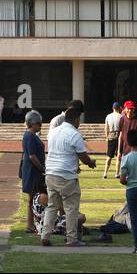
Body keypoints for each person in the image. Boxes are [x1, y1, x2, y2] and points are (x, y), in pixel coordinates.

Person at [41, 100, 96, 247]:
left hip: (50, 173)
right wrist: (91, 163)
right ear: (76, 119)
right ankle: (72, 239)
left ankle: (45, 235)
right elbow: (83, 157)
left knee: (52, 206)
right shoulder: (74, 134)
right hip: (66, 176)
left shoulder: (53, 132)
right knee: (71, 208)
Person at [20, 110, 47, 234]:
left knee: (32, 199)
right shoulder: (29, 135)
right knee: (33, 199)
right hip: (32, 171)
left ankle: (31, 224)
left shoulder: (31, 135)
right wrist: (42, 168)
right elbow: (32, 156)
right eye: (38, 123)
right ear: (32, 123)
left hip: (33, 170)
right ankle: (30, 224)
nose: (40, 126)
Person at [102, 102, 122, 178]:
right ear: (119, 108)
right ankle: (117, 173)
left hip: (111, 136)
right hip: (119, 136)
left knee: (109, 156)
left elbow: (106, 128)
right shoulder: (121, 116)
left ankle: (105, 173)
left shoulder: (108, 116)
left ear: (113, 108)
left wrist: (107, 137)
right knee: (118, 156)